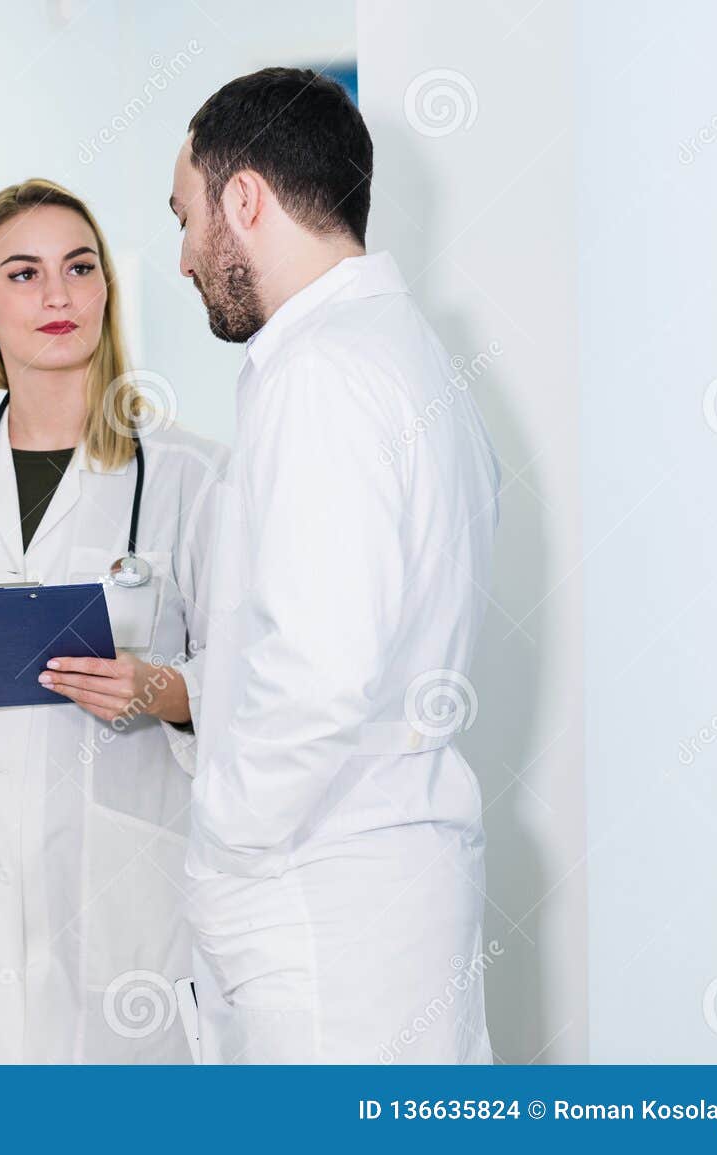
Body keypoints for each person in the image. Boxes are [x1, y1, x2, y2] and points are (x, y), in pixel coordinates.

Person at [0, 179, 228, 1063]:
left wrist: (165, 687)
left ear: (105, 289)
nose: (58, 296)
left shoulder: (191, 477)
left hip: (122, 903)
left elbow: (249, 678)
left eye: (80, 267)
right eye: (23, 274)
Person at [168, 69, 501, 1063]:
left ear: (243, 199)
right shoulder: (403, 354)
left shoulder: (319, 375)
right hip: (386, 890)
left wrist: (223, 840)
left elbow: (318, 668)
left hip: (317, 904)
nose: (184, 257)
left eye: (185, 217)